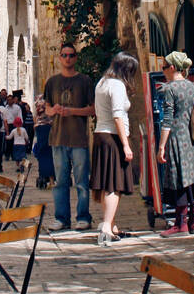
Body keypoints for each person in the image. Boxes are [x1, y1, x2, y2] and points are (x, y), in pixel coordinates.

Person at [44, 42, 96, 232]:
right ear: (60, 57)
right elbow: (47, 109)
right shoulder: (52, 82)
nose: (67, 58)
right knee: (60, 182)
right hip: (57, 139)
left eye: (71, 55)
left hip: (78, 139)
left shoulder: (84, 81)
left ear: (75, 57)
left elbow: (93, 109)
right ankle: (61, 218)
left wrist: (71, 111)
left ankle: (83, 217)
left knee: (82, 181)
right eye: (64, 55)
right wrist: (54, 110)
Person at [156, 51, 194, 236]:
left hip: (177, 138)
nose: (162, 71)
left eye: (163, 67)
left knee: (179, 179)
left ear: (172, 68)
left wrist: (161, 146)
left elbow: (167, 119)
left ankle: (181, 224)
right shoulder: (192, 87)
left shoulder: (169, 89)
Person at [91, 52, 139, 246]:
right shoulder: (117, 85)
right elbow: (118, 115)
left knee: (106, 183)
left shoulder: (102, 82)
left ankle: (111, 224)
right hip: (113, 137)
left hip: (100, 134)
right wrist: (126, 144)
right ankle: (106, 227)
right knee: (114, 185)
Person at [32, 95, 55, 188]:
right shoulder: (49, 100)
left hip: (41, 129)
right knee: (50, 153)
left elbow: (37, 116)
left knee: (43, 154)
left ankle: (46, 177)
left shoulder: (39, 101)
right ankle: (52, 179)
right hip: (49, 128)